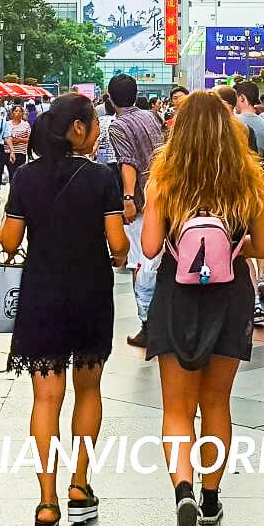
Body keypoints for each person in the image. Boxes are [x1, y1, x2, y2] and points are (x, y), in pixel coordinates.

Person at [140, 91, 264, 526]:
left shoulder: (164, 179)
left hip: (177, 297)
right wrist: (229, 245)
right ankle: (212, 497)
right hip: (229, 296)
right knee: (216, 402)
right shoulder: (247, 180)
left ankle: (184, 492)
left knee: (177, 408)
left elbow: (152, 247)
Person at [0, 94, 128, 526]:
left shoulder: (26, 177)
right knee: (88, 389)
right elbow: (118, 243)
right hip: (90, 292)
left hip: (42, 294)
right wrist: (117, 247)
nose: (96, 133)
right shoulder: (101, 178)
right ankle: (80, 485)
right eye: (93, 126)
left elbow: (9, 241)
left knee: (45, 399)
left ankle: (47, 504)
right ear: (77, 129)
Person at [107, 73, 167, 348]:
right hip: (164, 194)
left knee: (140, 263)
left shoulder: (118, 126)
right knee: (160, 261)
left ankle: (148, 323)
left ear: (109, 98)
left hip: (143, 202)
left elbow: (127, 162)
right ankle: (164, 319)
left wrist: (128, 198)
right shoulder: (150, 116)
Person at [233, 80, 264, 325]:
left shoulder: (236, 124)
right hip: (259, 184)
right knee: (261, 237)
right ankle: (262, 276)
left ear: (241, 99)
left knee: (241, 242)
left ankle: (254, 302)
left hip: (239, 188)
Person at [6, 104, 32, 180]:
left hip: (21, 152)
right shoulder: (7, 124)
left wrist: (20, 140)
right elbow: (3, 138)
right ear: (12, 113)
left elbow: (30, 139)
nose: (18, 113)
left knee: (19, 173)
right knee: (11, 172)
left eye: (20, 111)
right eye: (16, 111)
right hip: (9, 152)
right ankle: (12, 190)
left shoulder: (26, 125)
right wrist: (10, 141)